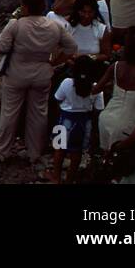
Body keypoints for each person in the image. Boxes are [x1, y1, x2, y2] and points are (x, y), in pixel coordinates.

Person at [0, 0, 78, 163]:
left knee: (10, 112)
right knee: (38, 113)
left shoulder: (16, 25)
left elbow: (0, 47)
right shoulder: (55, 26)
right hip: (42, 74)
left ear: (25, 7)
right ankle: (35, 152)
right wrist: (55, 62)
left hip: (16, 74)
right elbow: (72, 48)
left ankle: (3, 149)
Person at [50, 56, 104, 184]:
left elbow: (57, 99)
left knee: (59, 149)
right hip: (83, 123)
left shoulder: (67, 82)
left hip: (65, 120)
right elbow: (98, 109)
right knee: (76, 153)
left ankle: (56, 177)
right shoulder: (96, 88)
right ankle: (69, 180)